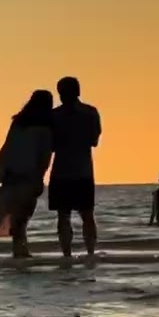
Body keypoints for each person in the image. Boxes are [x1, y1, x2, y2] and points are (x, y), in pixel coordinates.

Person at [0, 91, 54, 258]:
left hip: (11, 175)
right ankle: (21, 251)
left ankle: (19, 251)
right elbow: (44, 156)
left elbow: (7, 146)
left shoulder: (18, 123)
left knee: (13, 216)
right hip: (29, 176)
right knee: (22, 216)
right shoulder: (45, 128)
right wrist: (40, 177)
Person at [49, 76, 102, 258]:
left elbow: (51, 145)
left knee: (63, 216)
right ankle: (90, 252)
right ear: (78, 91)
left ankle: (67, 254)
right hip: (83, 170)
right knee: (87, 215)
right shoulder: (90, 113)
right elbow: (94, 140)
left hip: (61, 171)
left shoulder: (54, 116)